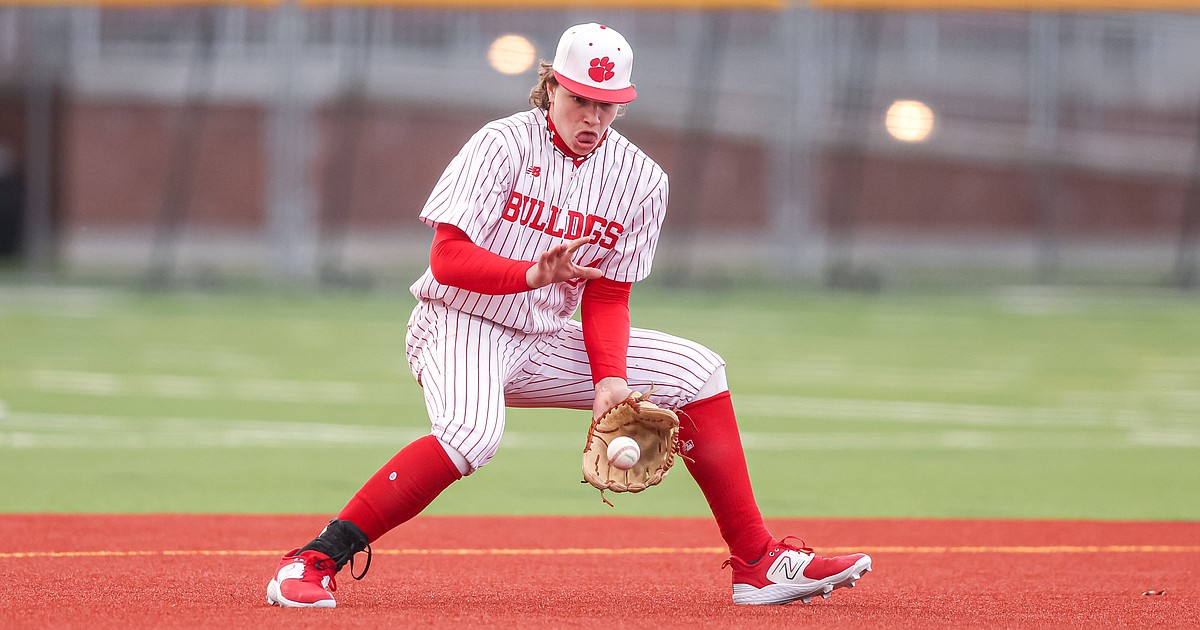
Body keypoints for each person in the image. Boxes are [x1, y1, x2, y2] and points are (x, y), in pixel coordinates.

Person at [265, 22, 872, 609]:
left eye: (608, 105)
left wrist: (609, 378)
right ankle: (315, 559)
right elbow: (447, 259)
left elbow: (608, 296)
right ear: (551, 85)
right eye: (581, 99)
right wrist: (530, 274)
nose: (593, 118)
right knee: (472, 434)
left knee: (699, 371)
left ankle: (757, 563)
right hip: (459, 321)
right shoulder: (500, 144)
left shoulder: (641, 180)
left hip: (548, 335)